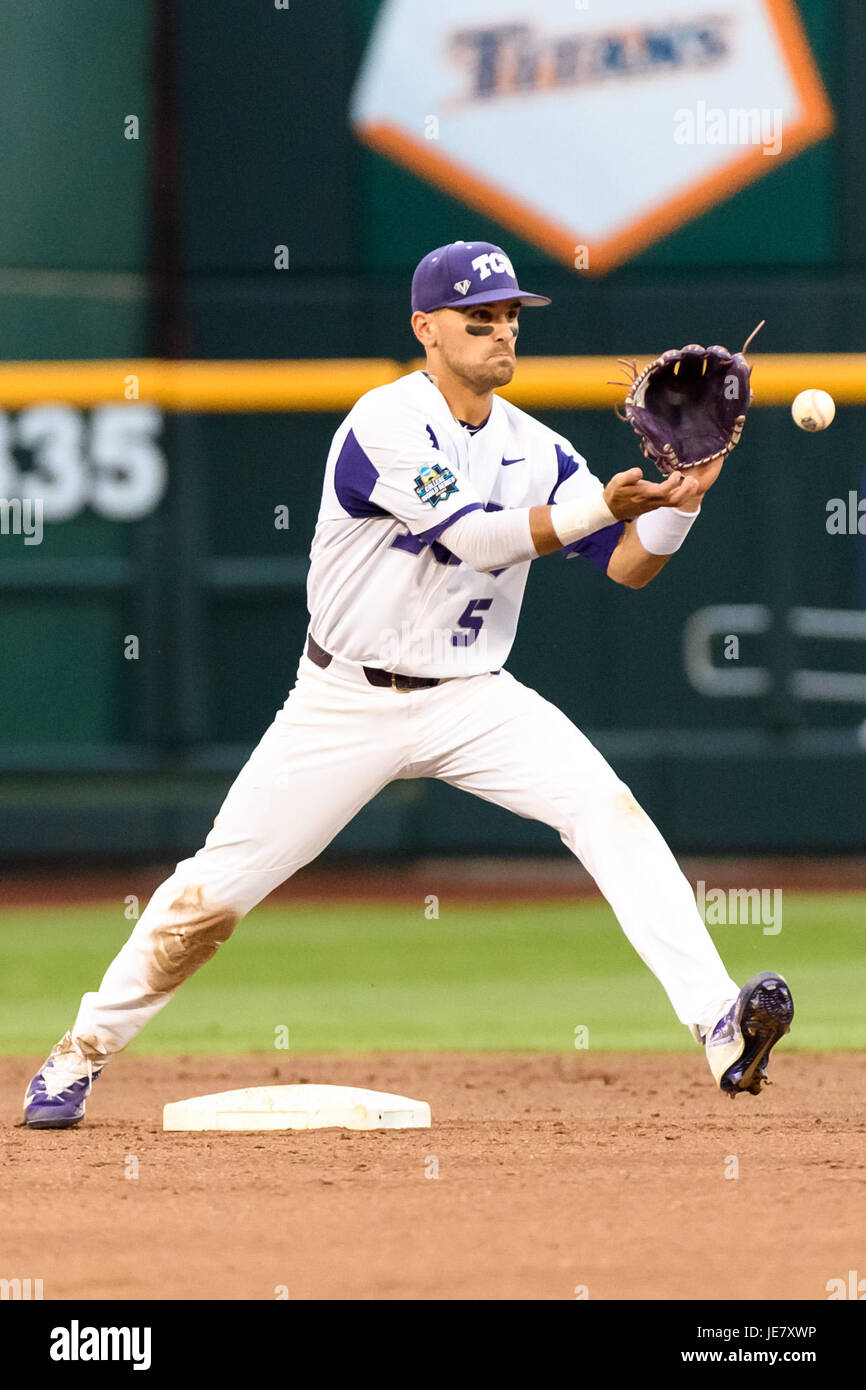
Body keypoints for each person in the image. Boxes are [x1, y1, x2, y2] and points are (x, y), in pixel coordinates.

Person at [24, 240, 792, 1129]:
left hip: (472, 695)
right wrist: (605, 505)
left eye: (510, 316)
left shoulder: (536, 447)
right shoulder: (384, 425)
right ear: (426, 329)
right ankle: (77, 1054)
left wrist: (687, 495)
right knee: (212, 896)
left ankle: (718, 1026)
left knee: (605, 807)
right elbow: (474, 538)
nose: (502, 331)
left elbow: (625, 566)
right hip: (344, 702)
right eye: (480, 318)